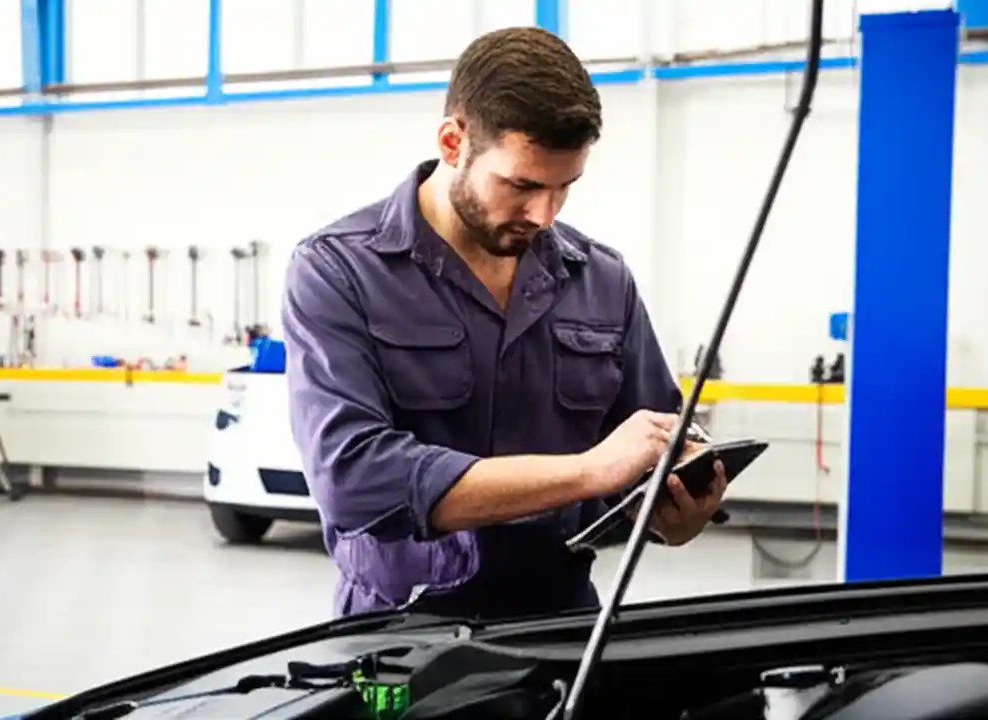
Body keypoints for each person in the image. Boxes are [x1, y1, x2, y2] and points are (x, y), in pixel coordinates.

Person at [281, 26, 726, 620]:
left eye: (564, 187)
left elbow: (651, 449)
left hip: (561, 626)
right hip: (398, 632)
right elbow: (354, 479)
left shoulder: (602, 280)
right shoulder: (337, 271)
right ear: (452, 141)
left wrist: (674, 512)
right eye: (521, 185)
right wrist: (586, 472)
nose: (543, 214)